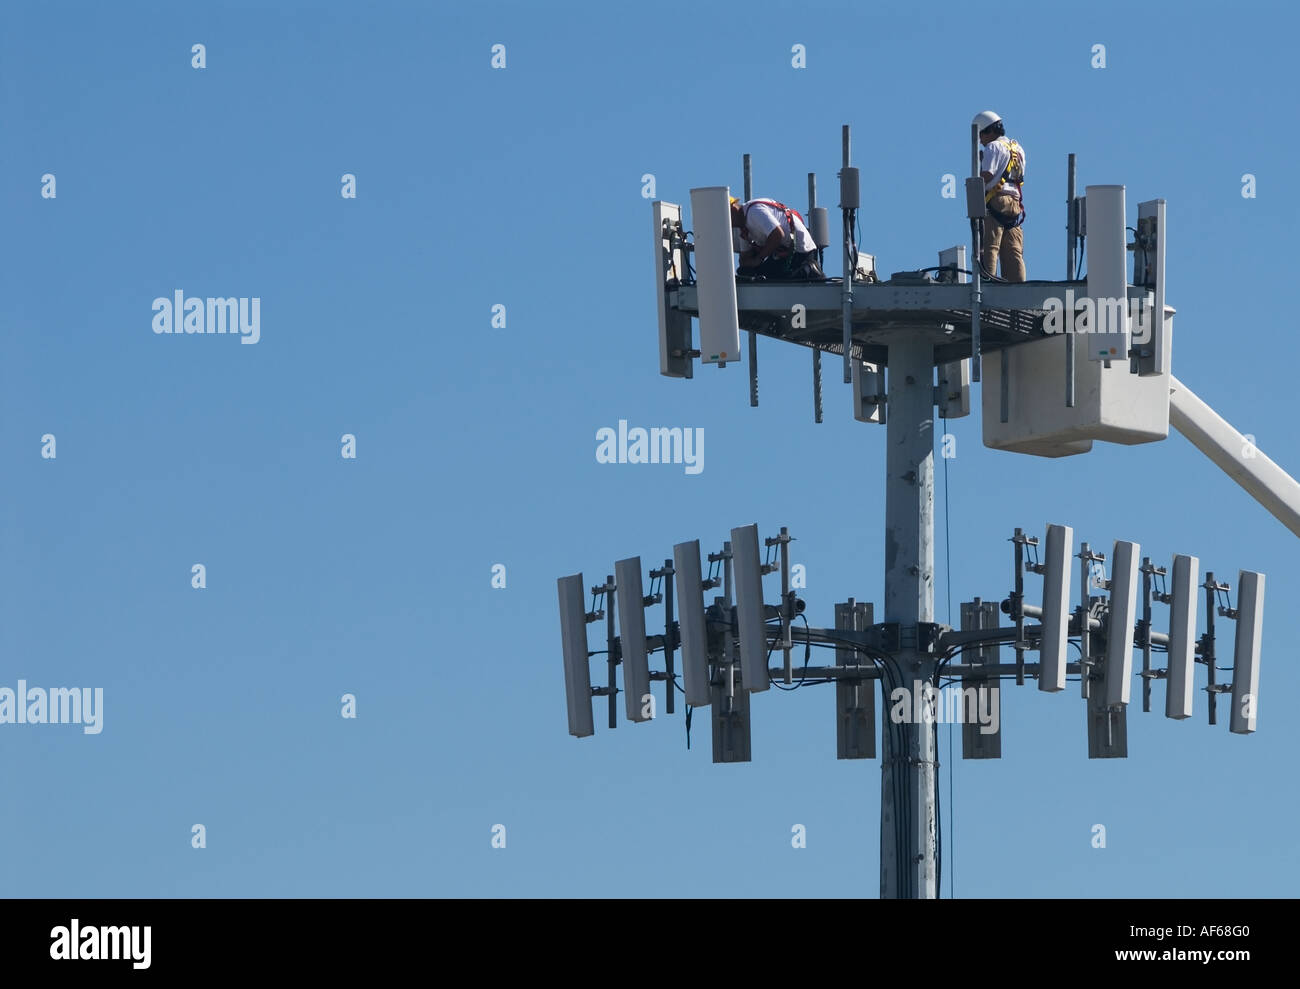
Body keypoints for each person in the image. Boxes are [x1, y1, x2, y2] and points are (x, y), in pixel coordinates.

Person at [973, 110, 1027, 282]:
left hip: (997, 200)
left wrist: (975, 180)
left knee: (991, 246)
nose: (980, 141)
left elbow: (987, 175)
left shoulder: (993, 147)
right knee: (1013, 250)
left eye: (981, 136)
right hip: (1015, 203)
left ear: (988, 131)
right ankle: (1018, 286)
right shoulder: (1018, 148)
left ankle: (989, 282)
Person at [729, 197, 824, 280]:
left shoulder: (754, 211)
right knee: (746, 272)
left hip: (801, 250)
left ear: (733, 208)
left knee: (769, 277)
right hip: (783, 252)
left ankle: (808, 269)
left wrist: (759, 259)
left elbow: (777, 234)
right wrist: (746, 264)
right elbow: (745, 258)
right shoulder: (743, 228)